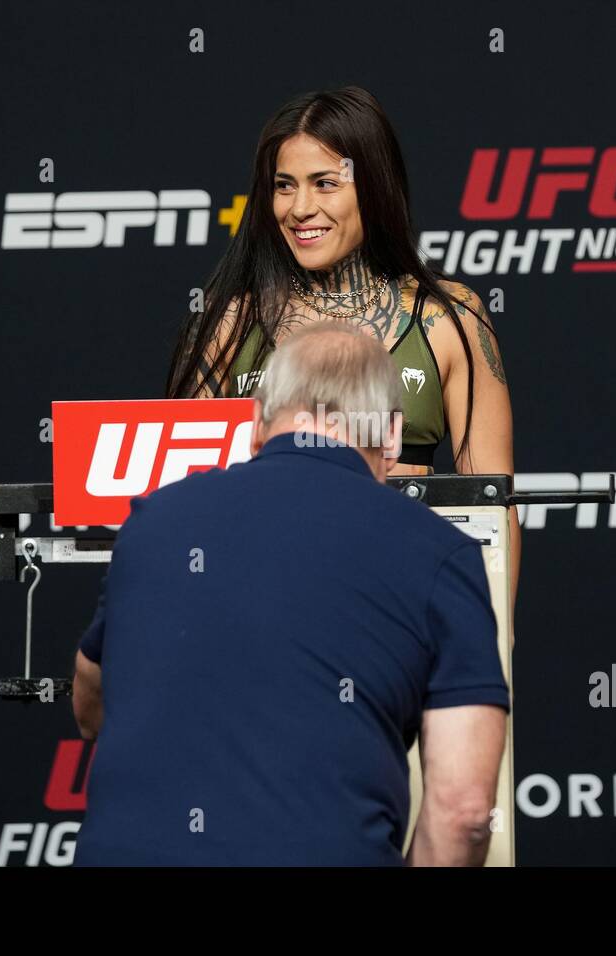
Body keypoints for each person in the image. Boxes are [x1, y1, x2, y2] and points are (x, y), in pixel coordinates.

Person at [72, 323, 509, 866]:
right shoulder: (441, 555)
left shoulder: (153, 519)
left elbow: (89, 698)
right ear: (392, 436)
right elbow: (464, 812)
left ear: (257, 427)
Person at [163, 85, 521, 619]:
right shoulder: (228, 322)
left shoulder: (449, 317)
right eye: (284, 186)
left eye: (324, 184)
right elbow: (181, 504)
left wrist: (496, 650)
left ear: (372, 188)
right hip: (262, 606)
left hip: (400, 604)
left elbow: (494, 508)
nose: (299, 208)